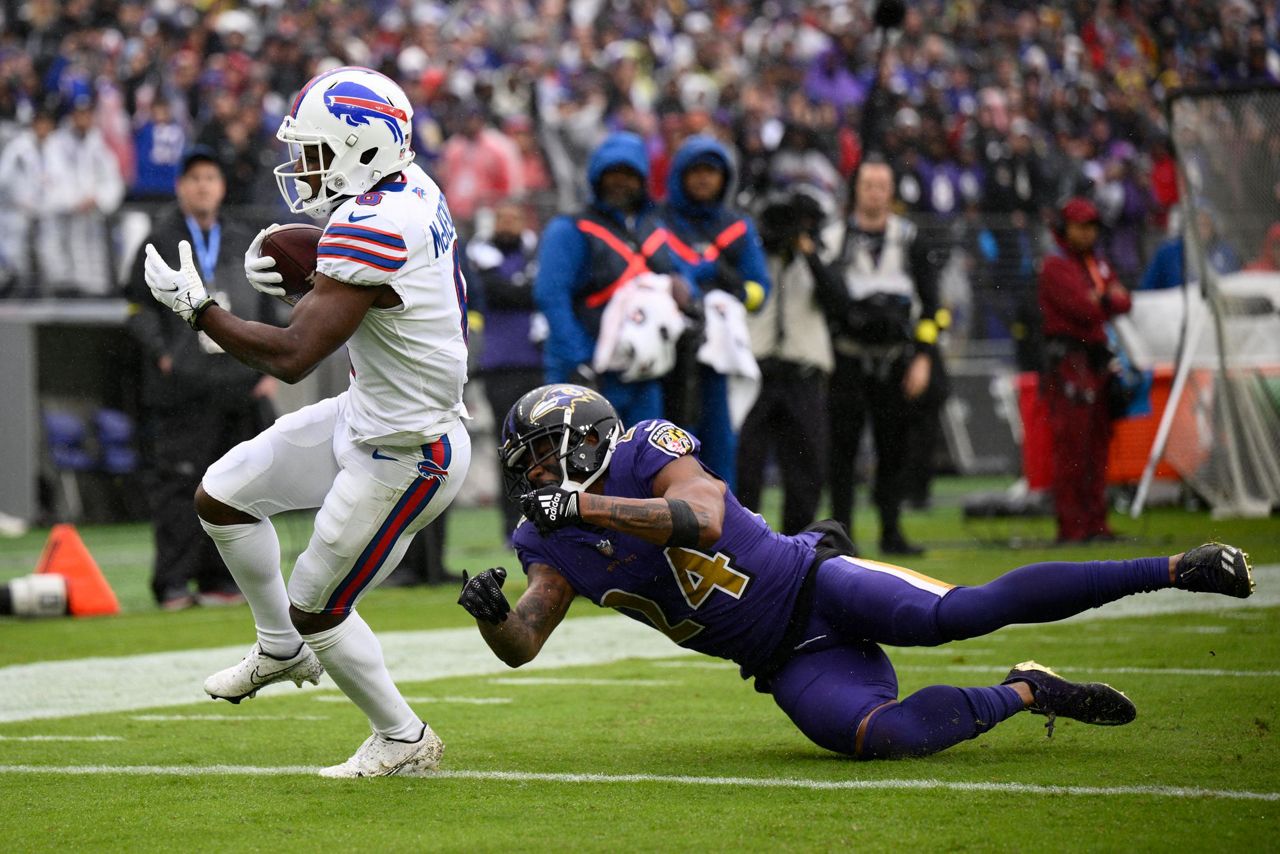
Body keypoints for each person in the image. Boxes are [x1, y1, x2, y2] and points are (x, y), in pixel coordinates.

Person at [458, 383, 1254, 761]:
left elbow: (700, 516)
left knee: (961, 613)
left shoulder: (646, 447)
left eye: (534, 457)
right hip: (784, 659)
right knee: (885, 739)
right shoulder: (546, 539)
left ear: (583, 444)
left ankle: (1175, 568)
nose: (528, 474)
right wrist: (493, 614)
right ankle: (1030, 691)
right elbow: (525, 640)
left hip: (813, 582)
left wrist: (591, 511)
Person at [141, 66, 470, 778]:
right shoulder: (411, 188)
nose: (305, 167)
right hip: (367, 415)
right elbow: (378, 291)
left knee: (318, 605)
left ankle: (404, 738)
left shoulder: (378, 222)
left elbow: (293, 355)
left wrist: (201, 311)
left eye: (318, 151)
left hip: (410, 453)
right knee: (222, 496)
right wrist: (313, 265)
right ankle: (277, 647)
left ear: (364, 147)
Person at [124, 147, 277, 610]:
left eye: (210, 177)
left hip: (238, 382)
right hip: (183, 389)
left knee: (235, 489)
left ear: (222, 186)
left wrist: (270, 360)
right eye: (194, 179)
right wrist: (165, 353)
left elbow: (267, 300)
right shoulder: (159, 239)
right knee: (178, 487)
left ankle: (221, 581)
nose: (203, 186)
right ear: (180, 188)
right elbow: (136, 311)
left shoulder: (240, 238)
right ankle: (171, 584)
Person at [822, 156, 944, 556]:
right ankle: (841, 536)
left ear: (891, 192)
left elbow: (932, 306)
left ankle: (892, 531)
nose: (875, 192)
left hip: (895, 361)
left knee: (894, 450)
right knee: (842, 452)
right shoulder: (834, 237)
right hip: (847, 359)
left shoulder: (909, 239)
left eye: (882, 185)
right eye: (868, 184)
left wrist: (924, 357)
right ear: (856, 189)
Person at [533, 131, 683, 426]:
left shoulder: (654, 228)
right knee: (583, 465)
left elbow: (679, 273)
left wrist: (686, 288)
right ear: (596, 177)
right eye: (612, 173)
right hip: (586, 376)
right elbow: (551, 296)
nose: (620, 181)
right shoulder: (569, 229)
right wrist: (582, 360)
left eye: (629, 174)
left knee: (643, 464)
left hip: (643, 373)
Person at [660, 135, 771, 492]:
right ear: (680, 175)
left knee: (720, 445)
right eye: (696, 171)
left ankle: (724, 530)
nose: (704, 179)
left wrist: (735, 288)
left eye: (712, 171)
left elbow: (761, 290)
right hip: (667, 354)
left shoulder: (738, 226)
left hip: (719, 359)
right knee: (667, 445)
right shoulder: (658, 221)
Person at [737, 191, 846, 534]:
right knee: (745, 469)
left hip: (803, 375)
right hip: (755, 374)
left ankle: (796, 552)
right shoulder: (751, 256)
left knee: (806, 471)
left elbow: (840, 303)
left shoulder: (820, 257)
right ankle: (743, 549)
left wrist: (808, 252)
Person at [1039, 197, 1131, 543]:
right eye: (1082, 226)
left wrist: (1102, 299)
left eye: (1093, 226)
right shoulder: (1055, 265)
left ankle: (1096, 524)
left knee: (1097, 448)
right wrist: (1105, 298)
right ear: (1065, 229)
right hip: (1069, 366)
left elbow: (1123, 299)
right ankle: (1072, 527)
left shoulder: (1095, 263)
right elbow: (1083, 307)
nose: (1089, 233)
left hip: (1094, 362)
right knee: (1072, 450)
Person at [469, 200, 545, 541]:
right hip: (500, 365)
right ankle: (509, 523)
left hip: (535, 362)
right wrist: (524, 289)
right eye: (503, 218)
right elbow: (500, 294)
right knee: (510, 447)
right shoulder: (482, 257)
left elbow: (539, 292)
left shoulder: (534, 254)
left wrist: (521, 289)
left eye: (514, 218)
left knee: (542, 448)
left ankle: (541, 518)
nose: (508, 225)